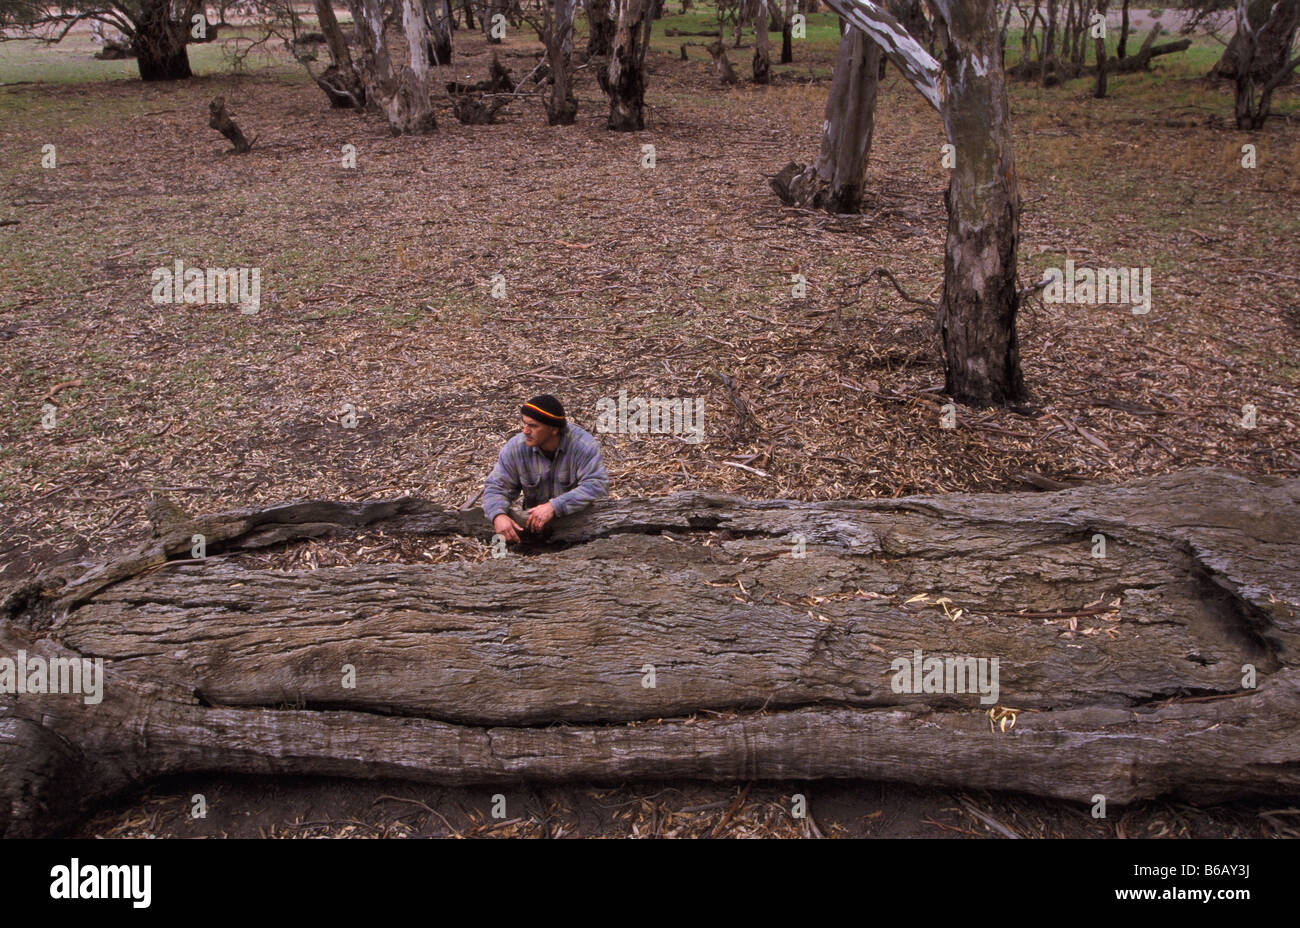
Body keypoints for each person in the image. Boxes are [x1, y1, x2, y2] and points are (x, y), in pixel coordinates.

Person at [483, 395, 609, 543]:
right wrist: (498, 515)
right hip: (534, 532)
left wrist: (555, 506)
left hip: (581, 529)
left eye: (533, 426)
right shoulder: (516, 448)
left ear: (554, 429)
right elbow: (496, 487)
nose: (525, 431)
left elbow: (597, 486)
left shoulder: (583, 446)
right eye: (524, 424)